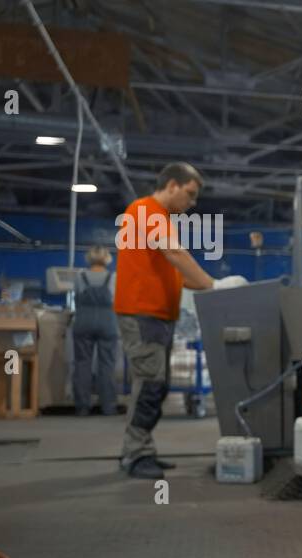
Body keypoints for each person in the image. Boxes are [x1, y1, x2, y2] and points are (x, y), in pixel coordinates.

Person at [114, 162, 216, 480]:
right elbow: (176, 255)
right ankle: (135, 455)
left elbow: (177, 273)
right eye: (190, 194)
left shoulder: (162, 220)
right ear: (172, 185)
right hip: (143, 314)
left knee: (157, 386)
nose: (193, 203)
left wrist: (213, 286)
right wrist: (214, 285)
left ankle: (143, 450)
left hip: (159, 316)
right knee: (149, 385)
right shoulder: (146, 211)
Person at [72, 245, 120, 416]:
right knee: (107, 365)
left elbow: (76, 296)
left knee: (82, 364)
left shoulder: (80, 276)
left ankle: (82, 407)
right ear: (107, 259)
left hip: (83, 321)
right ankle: (108, 407)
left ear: (89, 258)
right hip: (107, 323)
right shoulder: (113, 277)